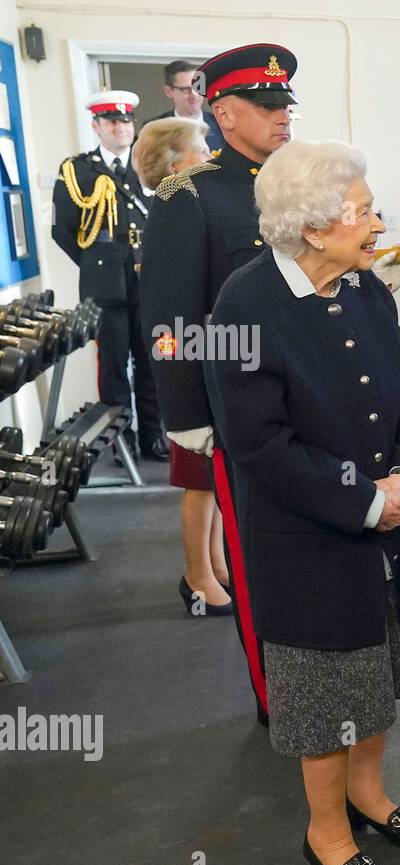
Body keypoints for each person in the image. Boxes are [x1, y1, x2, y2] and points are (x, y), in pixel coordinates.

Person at [141, 44, 400, 723]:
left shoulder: (310, 183)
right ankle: (281, 698)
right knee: (266, 558)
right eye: (265, 108)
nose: (281, 118)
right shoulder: (192, 195)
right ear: (224, 113)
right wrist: (189, 415)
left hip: (326, 405)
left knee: (341, 549)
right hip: (245, 413)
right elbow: (172, 315)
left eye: (284, 105)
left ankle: (352, 685)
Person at [204, 140, 400, 865]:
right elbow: (259, 444)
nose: (376, 222)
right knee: (325, 701)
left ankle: (369, 798)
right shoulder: (242, 303)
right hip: (308, 540)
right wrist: (364, 501)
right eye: (362, 211)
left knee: (372, 682)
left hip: (384, 525)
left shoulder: (366, 287)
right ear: (311, 228)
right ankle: (326, 833)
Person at [131, 117, 229, 615]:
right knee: (197, 481)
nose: (210, 152)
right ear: (175, 165)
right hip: (190, 363)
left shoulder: (189, 203)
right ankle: (197, 576)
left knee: (211, 482)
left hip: (208, 352)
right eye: (201, 146)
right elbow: (169, 316)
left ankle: (214, 564)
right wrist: (181, 390)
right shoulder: (175, 206)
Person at [52, 90, 167, 463]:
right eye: (112, 121)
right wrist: (95, 262)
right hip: (106, 286)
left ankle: (154, 437)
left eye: (126, 121)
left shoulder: (149, 165)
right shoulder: (78, 171)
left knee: (152, 363)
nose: (121, 128)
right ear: (96, 126)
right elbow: (64, 230)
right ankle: (124, 443)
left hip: (149, 281)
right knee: (114, 366)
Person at [140, 61, 224, 152]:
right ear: (168, 91)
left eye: (198, 88)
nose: (194, 95)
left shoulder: (221, 124)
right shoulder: (154, 129)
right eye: (186, 89)